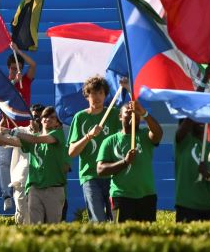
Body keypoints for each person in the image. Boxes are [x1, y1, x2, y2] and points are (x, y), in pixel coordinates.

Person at [96, 100, 163, 222]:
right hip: (121, 197)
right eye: (129, 113)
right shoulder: (110, 141)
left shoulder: (145, 136)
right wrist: (125, 162)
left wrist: (144, 113)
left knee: (146, 238)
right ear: (120, 117)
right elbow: (100, 170)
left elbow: (158, 133)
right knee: (121, 238)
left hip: (147, 196)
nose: (134, 115)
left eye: (136, 113)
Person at [68, 75, 122, 222]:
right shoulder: (80, 117)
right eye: (93, 93)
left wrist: (128, 89)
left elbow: (134, 118)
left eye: (100, 93)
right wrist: (88, 136)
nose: (97, 97)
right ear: (87, 95)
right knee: (98, 220)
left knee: (116, 220)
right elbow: (72, 152)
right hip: (90, 175)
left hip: (113, 174)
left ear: (105, 95)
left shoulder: (115, 114)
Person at [0, 45, 35, 212]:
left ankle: (23, 191)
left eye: (18, 68)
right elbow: (1, 96)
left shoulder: (26, 80)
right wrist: (13, 80)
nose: (15, 71)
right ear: (8, 69)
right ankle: (6, 195)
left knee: (24, 162)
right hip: (6, 127)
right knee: (4, 162)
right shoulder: (3, 82)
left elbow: (33, 65)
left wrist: (19, 52)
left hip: (24, 128)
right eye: (13, 68)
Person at [173, 118, 210, 222]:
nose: (201, 121)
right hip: (186, 207)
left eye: (203, 118)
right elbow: (181, 131)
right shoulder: (183, 143)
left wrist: (209, 175)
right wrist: (196, 110)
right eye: (198, 118)